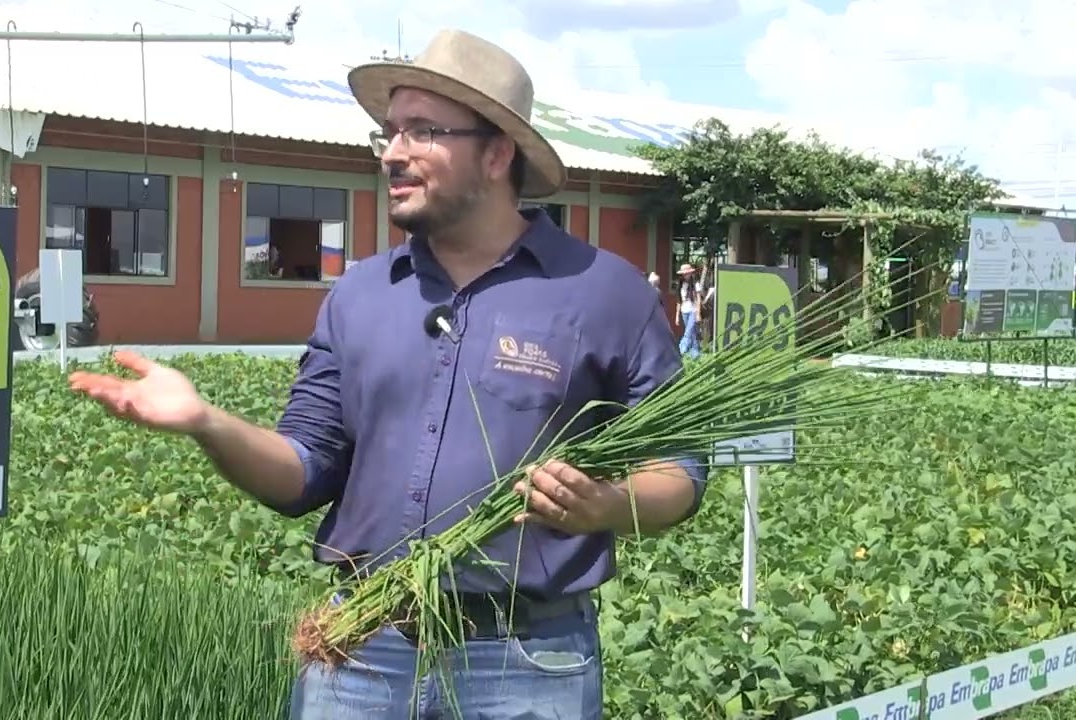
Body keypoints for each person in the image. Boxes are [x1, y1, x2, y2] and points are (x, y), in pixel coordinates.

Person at [68, 28, 709, 720]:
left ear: (496, 154)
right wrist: (206, 421)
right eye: (387, 133)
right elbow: (303, 470)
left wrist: (609, 505)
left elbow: (680, 471)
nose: (393, 153)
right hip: (362, 650)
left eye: (422, 131)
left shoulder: (603, 293)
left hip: (524, 660)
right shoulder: (360, 294)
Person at [676, 263, 704, 359]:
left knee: (688, 332)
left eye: (687, 273)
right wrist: (677, 316)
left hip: (693, 310)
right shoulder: (680, 284)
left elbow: (699, 299)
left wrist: (698, 313)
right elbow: (679, 301)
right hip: (684, 311)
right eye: (684, 274)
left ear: (690, 273)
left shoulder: (695, 283)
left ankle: (681, 349)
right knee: (692, 332)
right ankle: (695, 353)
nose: (685, 275)